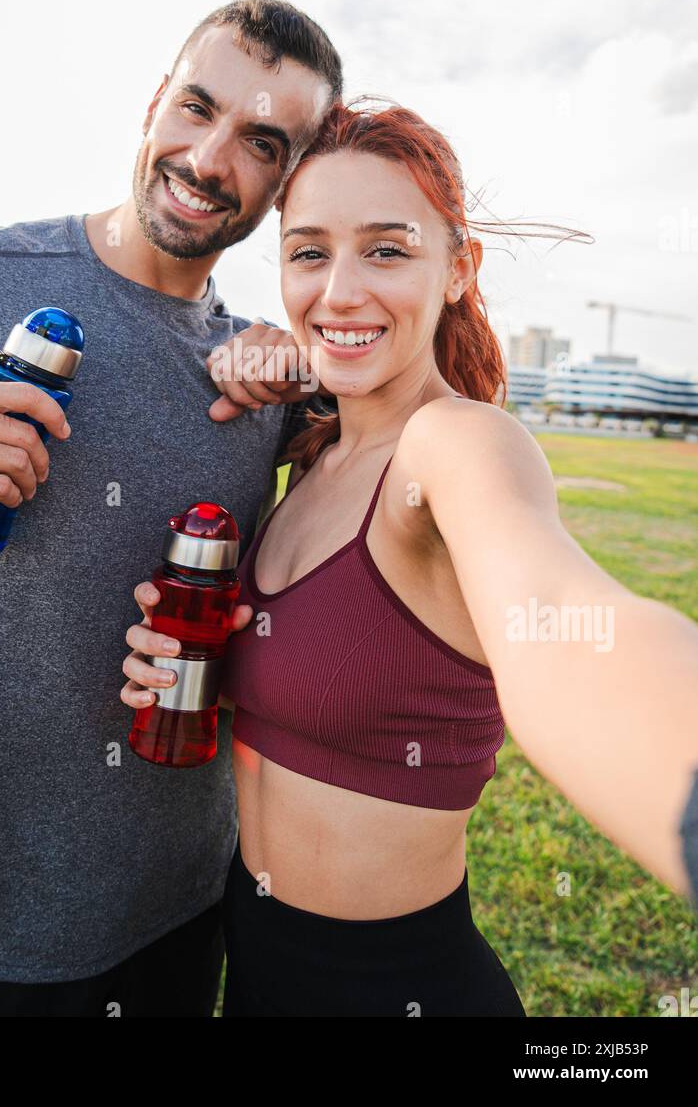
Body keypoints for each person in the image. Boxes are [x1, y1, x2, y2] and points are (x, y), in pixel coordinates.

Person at [122, 98, 698, 1017]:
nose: (340, 290)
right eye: (310, 251)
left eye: (386, 250)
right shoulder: (307, 457)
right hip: (255, 971)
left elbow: (558, 631)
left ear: (457, 267)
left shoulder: (458, 447)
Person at [0, 0, 341, 1016]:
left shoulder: (267, 378)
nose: (206, 159)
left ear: (288, 184)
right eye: (195, 108)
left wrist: (317, 375)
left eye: (259, 142)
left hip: (176, 920)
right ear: (154, 102)